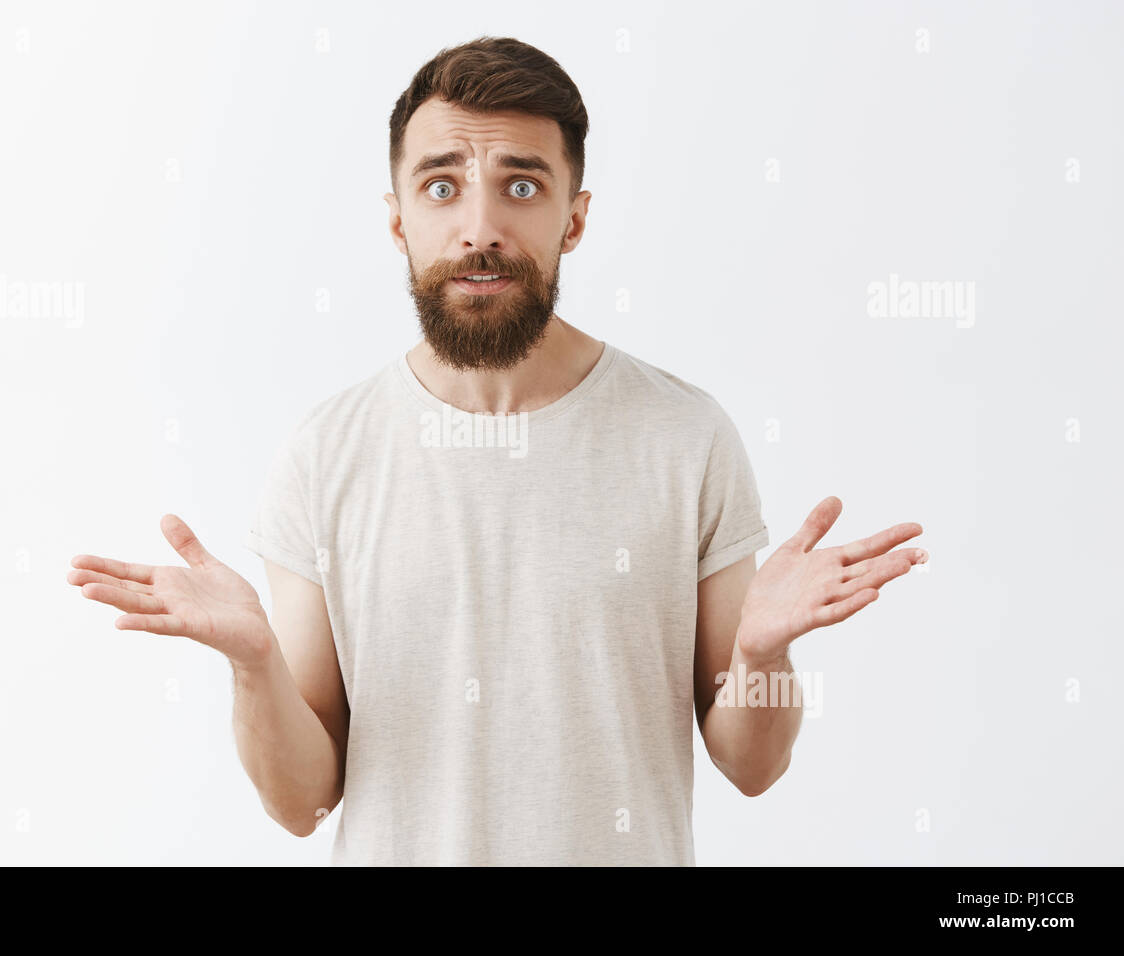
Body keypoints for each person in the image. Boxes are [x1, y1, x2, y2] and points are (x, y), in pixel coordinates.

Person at [69, 36, 927, 866]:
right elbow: (301, 804)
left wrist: (761, 656)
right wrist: (255, 664)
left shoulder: (685, 435)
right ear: (398, 220)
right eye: (442, 187)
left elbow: (753, 766)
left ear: (575, 219)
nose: (479, 228)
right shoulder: (324, 454)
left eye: (521, 185)